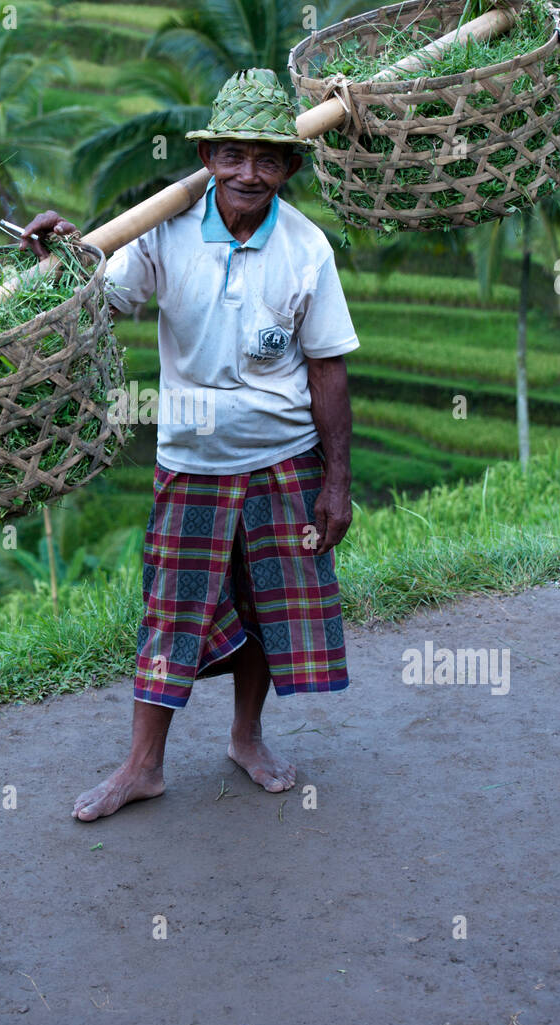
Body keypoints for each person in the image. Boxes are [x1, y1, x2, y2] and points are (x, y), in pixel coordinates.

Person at [21, 68, 359, 822]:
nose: (248, 174)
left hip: (284, 460)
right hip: (192, 461)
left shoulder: (306, 249)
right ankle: (142, 767)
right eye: (232, 156)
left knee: (269, 606)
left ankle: (246, 738)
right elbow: (96, 300)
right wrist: (58, 259)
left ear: (290, 167)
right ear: (207, 158)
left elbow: (328, 369)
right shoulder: (160, 231)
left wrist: (336, 482)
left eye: (266, 159)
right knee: (172, 612)